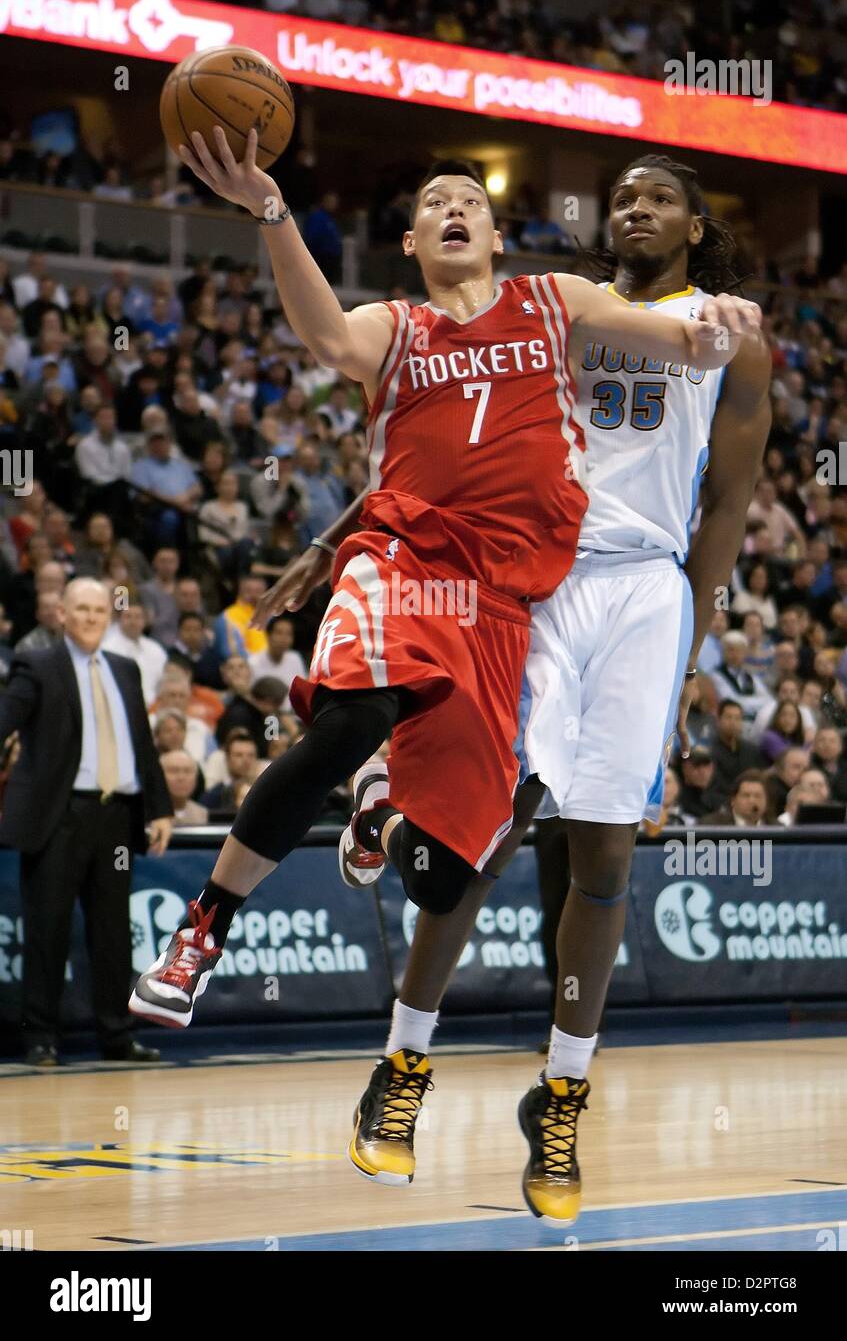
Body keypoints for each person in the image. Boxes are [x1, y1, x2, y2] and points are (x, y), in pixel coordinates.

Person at [129, 135, 758, 1224]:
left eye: (661, 198)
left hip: (631, 590)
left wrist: (689, 659)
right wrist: (342, 535)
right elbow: (429, 441)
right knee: (480, 831)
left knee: (594, 850)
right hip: (525, 580)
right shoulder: (541, 302)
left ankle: (561, 1089)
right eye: (622, 196)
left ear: (695, 226)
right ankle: (399, 1055)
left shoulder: (653, 321)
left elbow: (722, 488)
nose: (637, 209)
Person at [0, 578, 172, 1065]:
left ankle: (117, 1037)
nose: (92, 617)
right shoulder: (37, 664)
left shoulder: (125, 668)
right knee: (47, 929)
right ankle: (40, 1039)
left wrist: (159, 807)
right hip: (60, 816)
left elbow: (142, 742)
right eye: (82, 608)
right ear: (62, 612)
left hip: (117, 817)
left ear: (109, 614)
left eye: (99, 609)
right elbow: (6, 719)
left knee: (114, 932)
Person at [710, 699, 765, 797]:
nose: (733, 722)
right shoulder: (711, 751)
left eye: (737, 718)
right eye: (728, 717)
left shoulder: (752, 750)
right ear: (718, 720)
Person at [700, 770, 769, 826]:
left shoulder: (776, 827)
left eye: (758, 796)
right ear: (733, 800)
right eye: (746, 795)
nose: (752, 801)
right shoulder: (710, 825)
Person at [160, 749, 209, 827]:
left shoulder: (202, 813)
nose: (181, 777)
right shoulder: (148, 813)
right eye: (174, 771)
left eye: (187, 771)